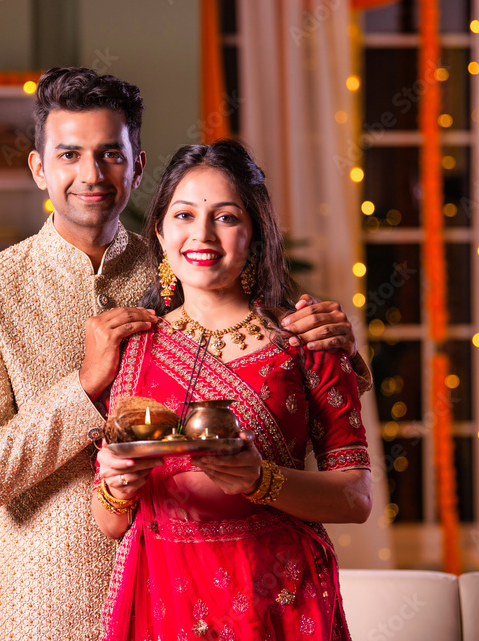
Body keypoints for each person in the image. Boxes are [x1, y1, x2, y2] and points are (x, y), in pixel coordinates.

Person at [0, 67, 365, 641]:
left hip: (196, 595)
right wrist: (84, 387)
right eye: (68, 154)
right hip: (46, 600)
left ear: (137, 166)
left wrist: (336, 344)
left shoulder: (182, 256)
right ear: (39, 168)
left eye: (110, 154)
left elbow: (271, 364)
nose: (90, 174)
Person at [93, 140, 371, 641]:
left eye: (225, 217)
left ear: (255, 234)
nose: (201, 234)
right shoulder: (132, 350)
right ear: (159, 230)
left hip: (280, 598)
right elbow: (111, 523)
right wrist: (116, 486)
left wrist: (261, 480)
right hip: (166, 599)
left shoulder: (308, 340)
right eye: (183, 215)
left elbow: (356, 497)